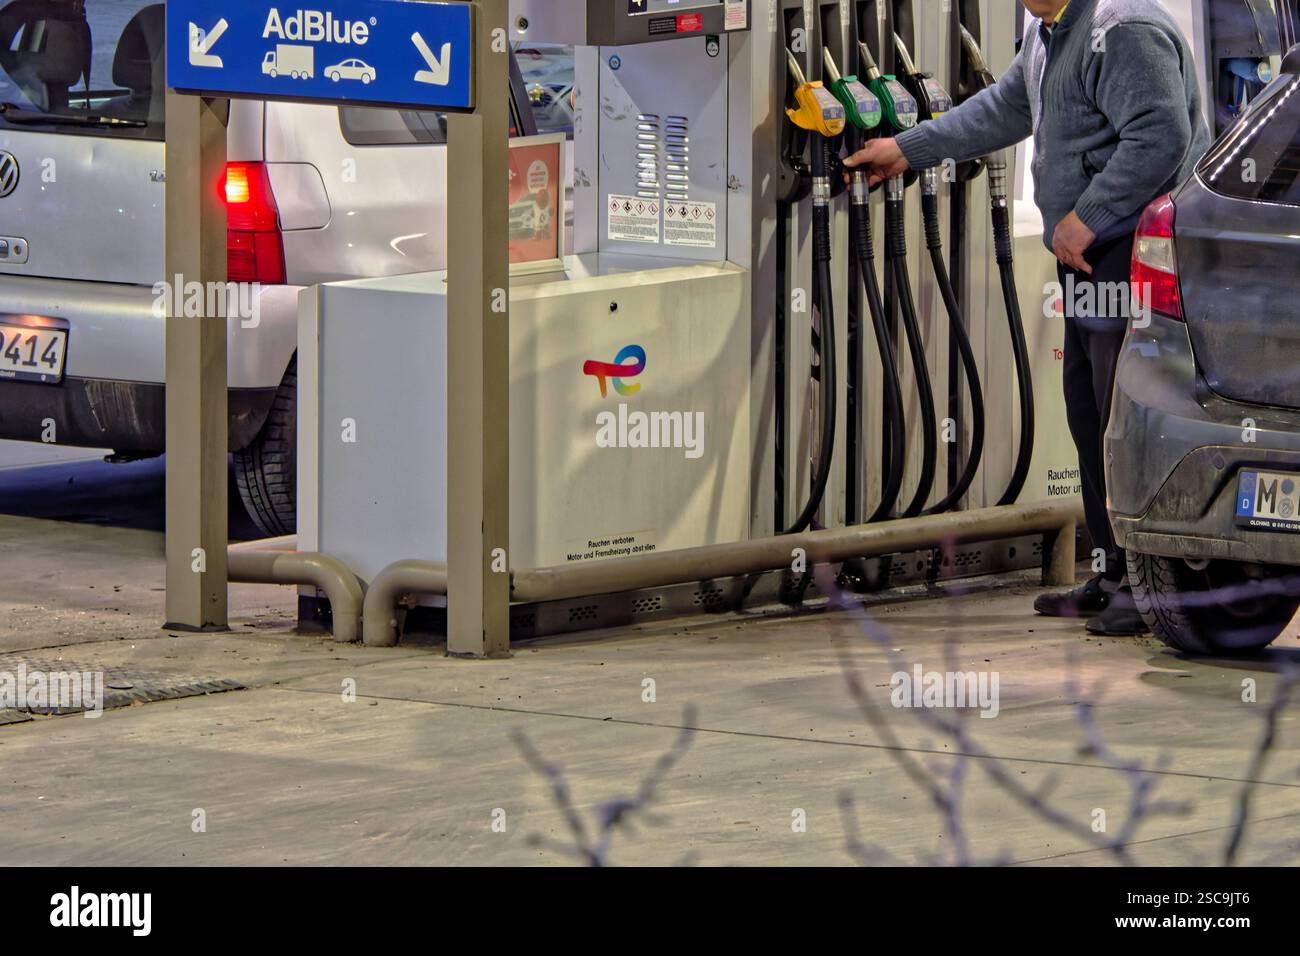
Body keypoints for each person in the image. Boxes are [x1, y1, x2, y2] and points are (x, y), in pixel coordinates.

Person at [845, 0, 1211, 636]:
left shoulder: (1122, 32)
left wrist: (1089, 215)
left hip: (1131, 258)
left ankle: (1147, 584)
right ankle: (1112, 570)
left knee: (1128, 421)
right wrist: (909, 148)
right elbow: (1005, 108)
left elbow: (1161, 136)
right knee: (1089, 413)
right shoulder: (1047, 33)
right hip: (1090, 260)